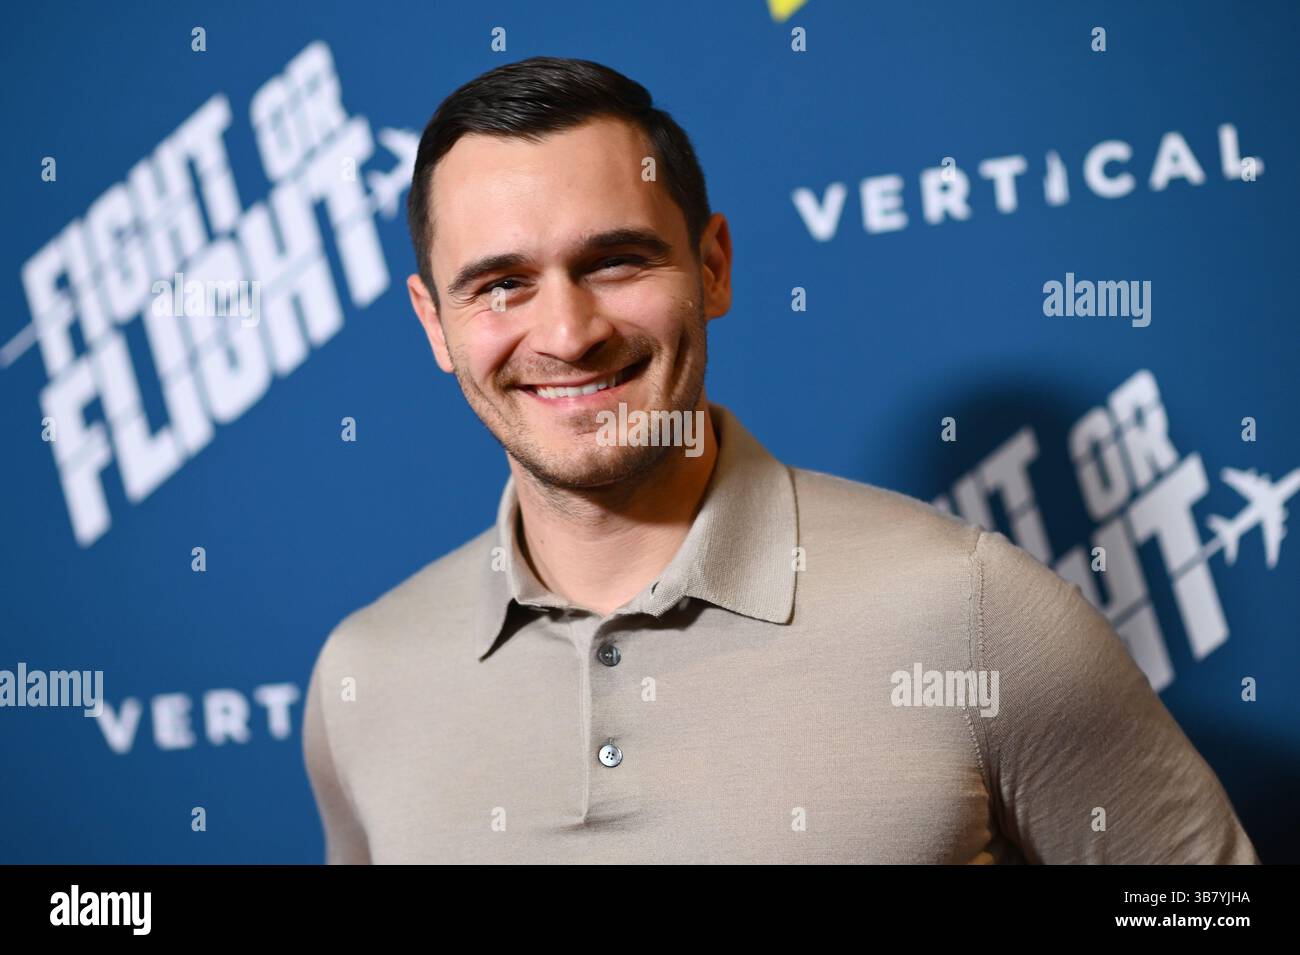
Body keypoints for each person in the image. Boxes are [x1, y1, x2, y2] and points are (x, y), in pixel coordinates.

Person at [303, 56, 1259, 864]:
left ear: (711, 267)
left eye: (616, 262)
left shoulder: (969, 609)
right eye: (502, 285)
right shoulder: (364, 679)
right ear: (435, 323)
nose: (568, 331)